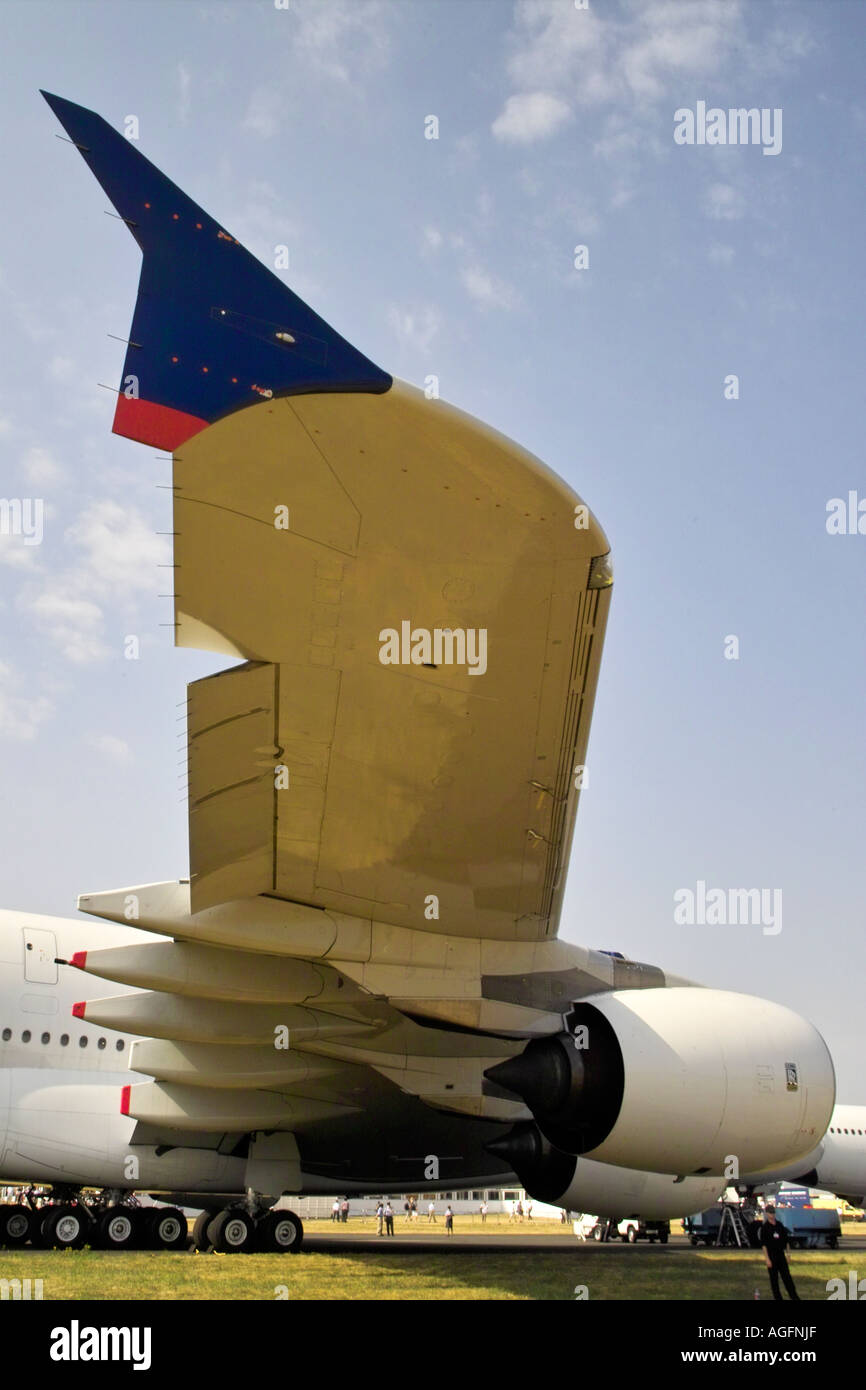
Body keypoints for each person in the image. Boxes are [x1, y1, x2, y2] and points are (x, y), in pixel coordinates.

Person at [759, 1204, 799, 1301]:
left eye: (773, 1213)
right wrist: (767, 1259)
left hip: (781, 1255)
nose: (772, 1215)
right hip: (771, 1256)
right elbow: (764, 1245)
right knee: (774, 1280)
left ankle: (794, 1296)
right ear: (767, 1214)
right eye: (770, 1213)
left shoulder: (780, 1225)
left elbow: (786, 1242)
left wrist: (788, 1254)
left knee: (787, 1278)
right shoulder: (765, 1228)